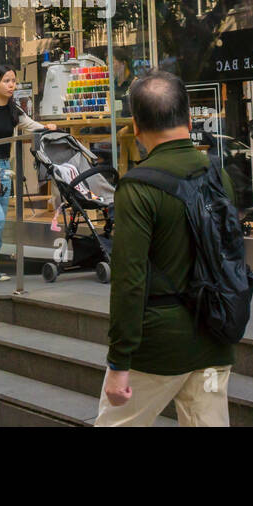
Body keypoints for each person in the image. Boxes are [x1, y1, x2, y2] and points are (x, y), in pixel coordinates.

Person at [97, 70, 235, 427]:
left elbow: (129, 280)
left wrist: (118, 362)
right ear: (189, 120)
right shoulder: (217, 174)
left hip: (158, 347)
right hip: (216, 333)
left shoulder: (138, 188)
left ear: (136, 128)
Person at [0, 66, 55, 283]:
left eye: (13, 81)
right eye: (6, 81)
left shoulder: (14, 110)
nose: (11, 85)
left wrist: (46, 127)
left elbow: (29, 125)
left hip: (4, 169)